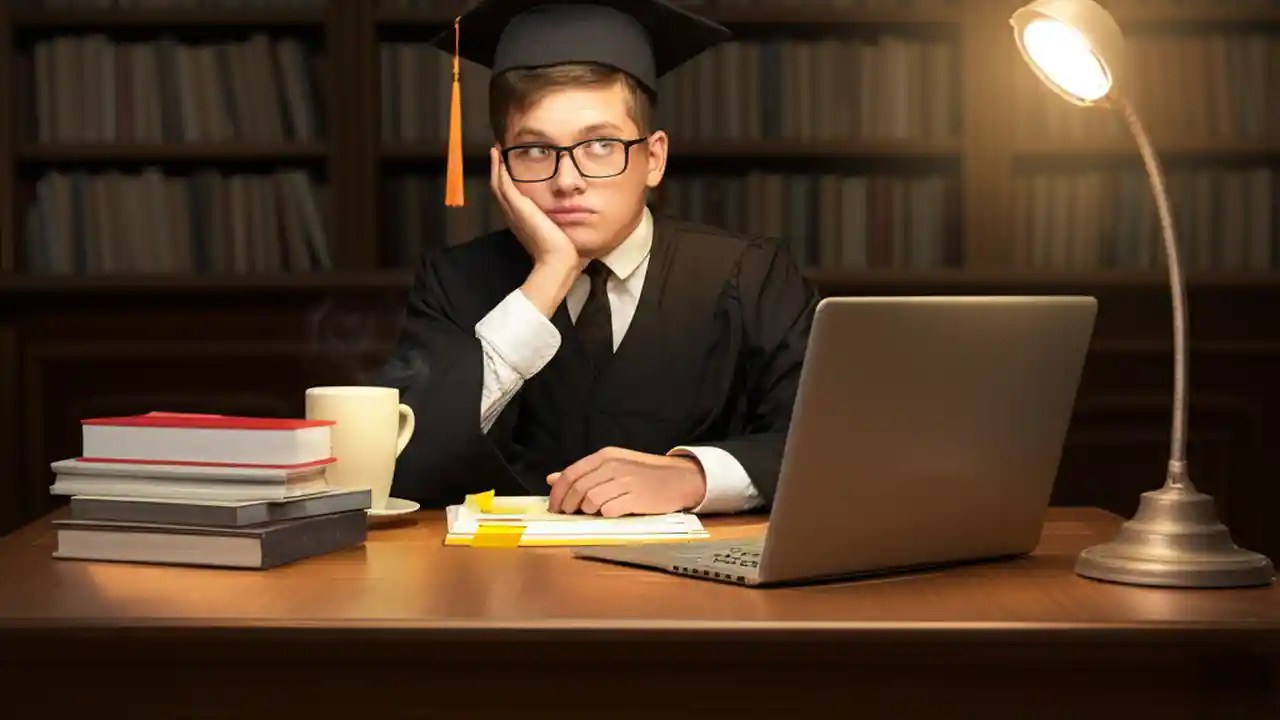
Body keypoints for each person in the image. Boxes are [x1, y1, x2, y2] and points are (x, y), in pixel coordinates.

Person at [377, 0, 818, 517]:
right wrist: (549, 275)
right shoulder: (454, 283)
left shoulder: (749, 275)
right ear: (501, 168)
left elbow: (829, 440)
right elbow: (400, 462)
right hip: (501, 586)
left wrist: (693, 477)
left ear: (653, 158)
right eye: (536, 151)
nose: (568, 180)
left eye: (601, 145)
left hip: (692, 587)